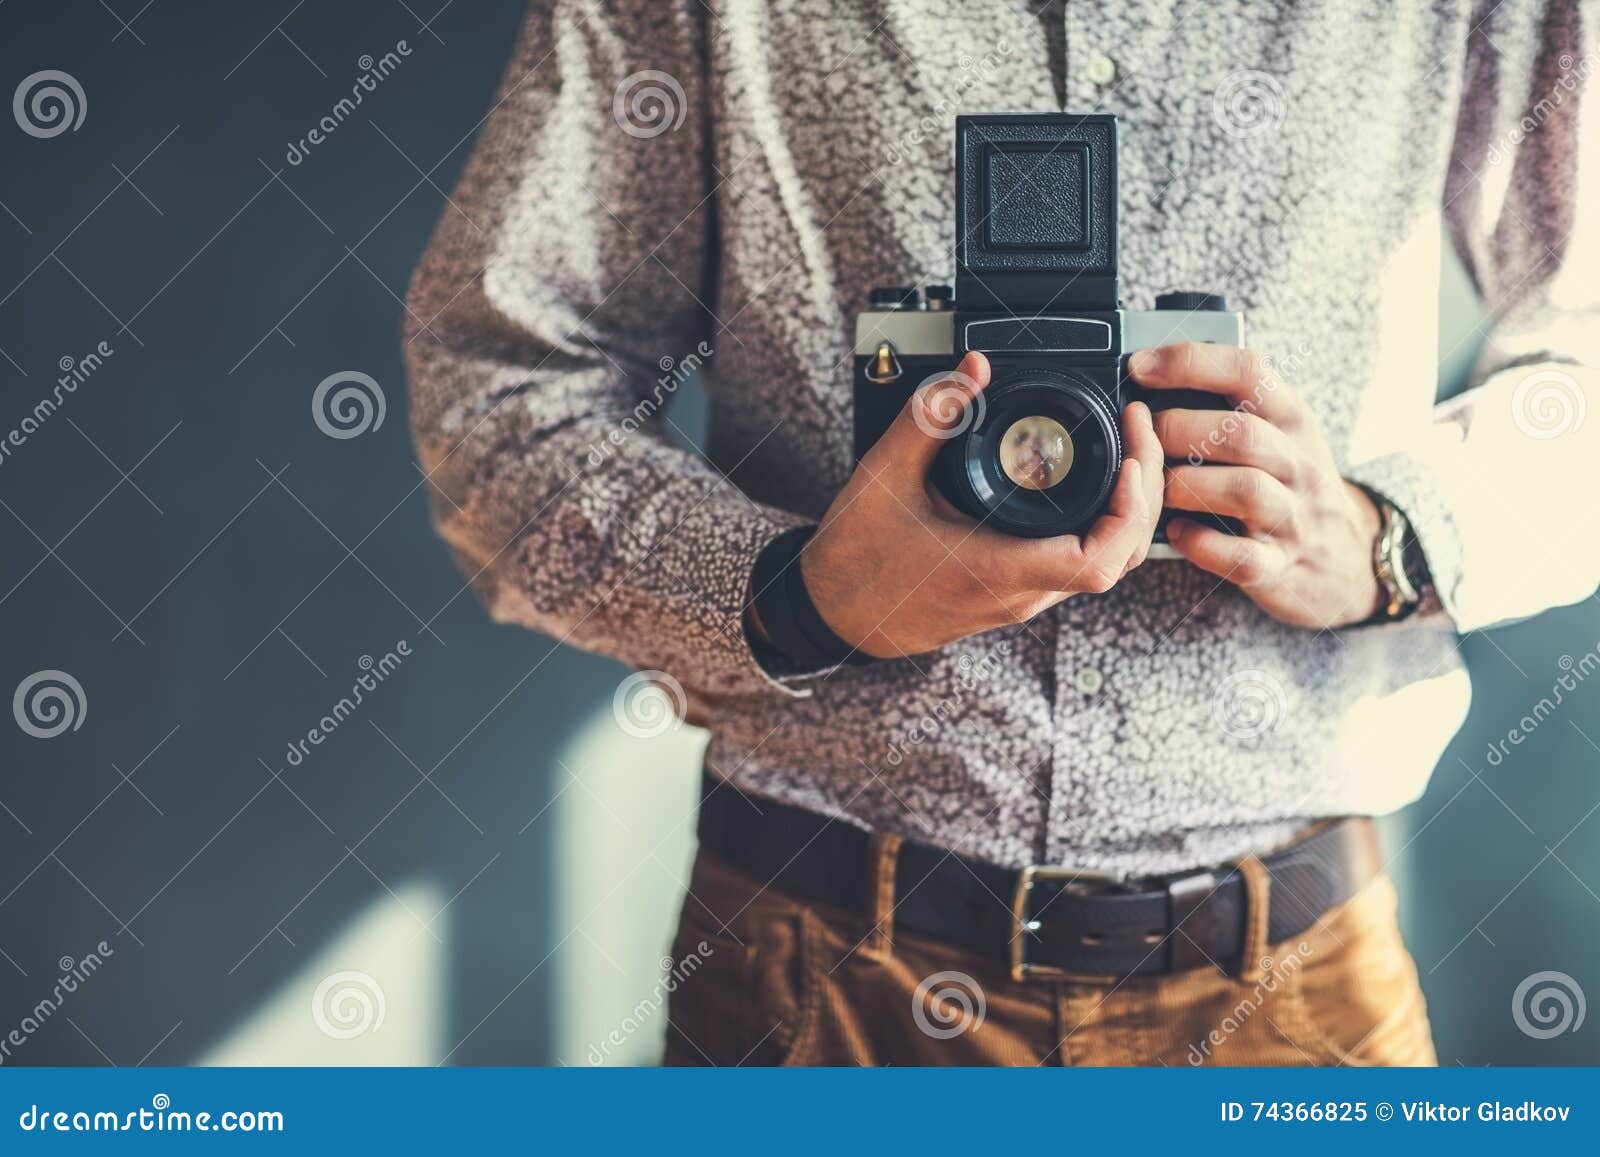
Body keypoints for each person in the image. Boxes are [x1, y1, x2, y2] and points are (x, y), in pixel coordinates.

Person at [406, 1, 1598, 1065]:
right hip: (815, 975)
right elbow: (500, 388)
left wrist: (1388, 540)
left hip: (1289, 988)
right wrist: (799, 592)